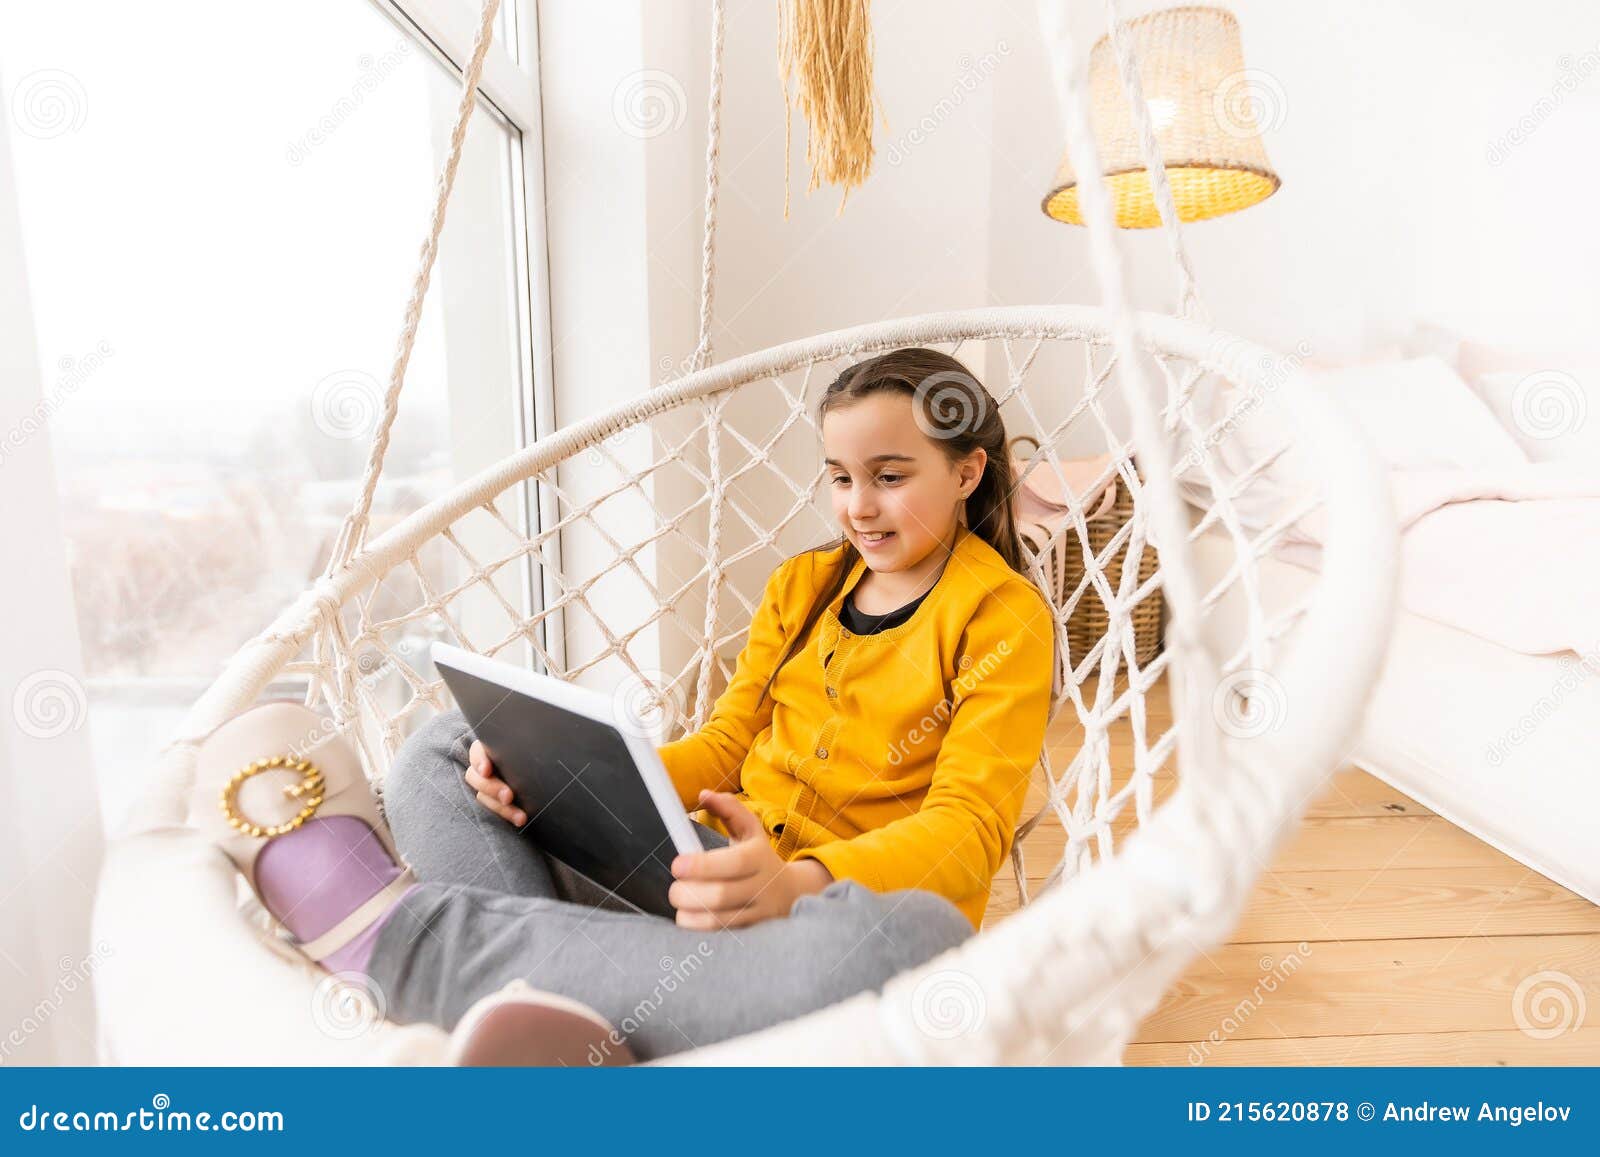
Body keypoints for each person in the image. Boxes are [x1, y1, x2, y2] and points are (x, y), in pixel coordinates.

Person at [215, 347, 1055, 1064]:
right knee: (451, 748)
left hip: (818, 916)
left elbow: (970, 828)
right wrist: (575, 778)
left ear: (967, 470)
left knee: (918, 946)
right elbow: (726, 742)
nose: (858, 507)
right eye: (839, 478)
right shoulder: (804, 584)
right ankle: (584, 1021)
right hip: (697, 876)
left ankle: (415, 952)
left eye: (890, 477)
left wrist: (801, 882)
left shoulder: (1002, 614)